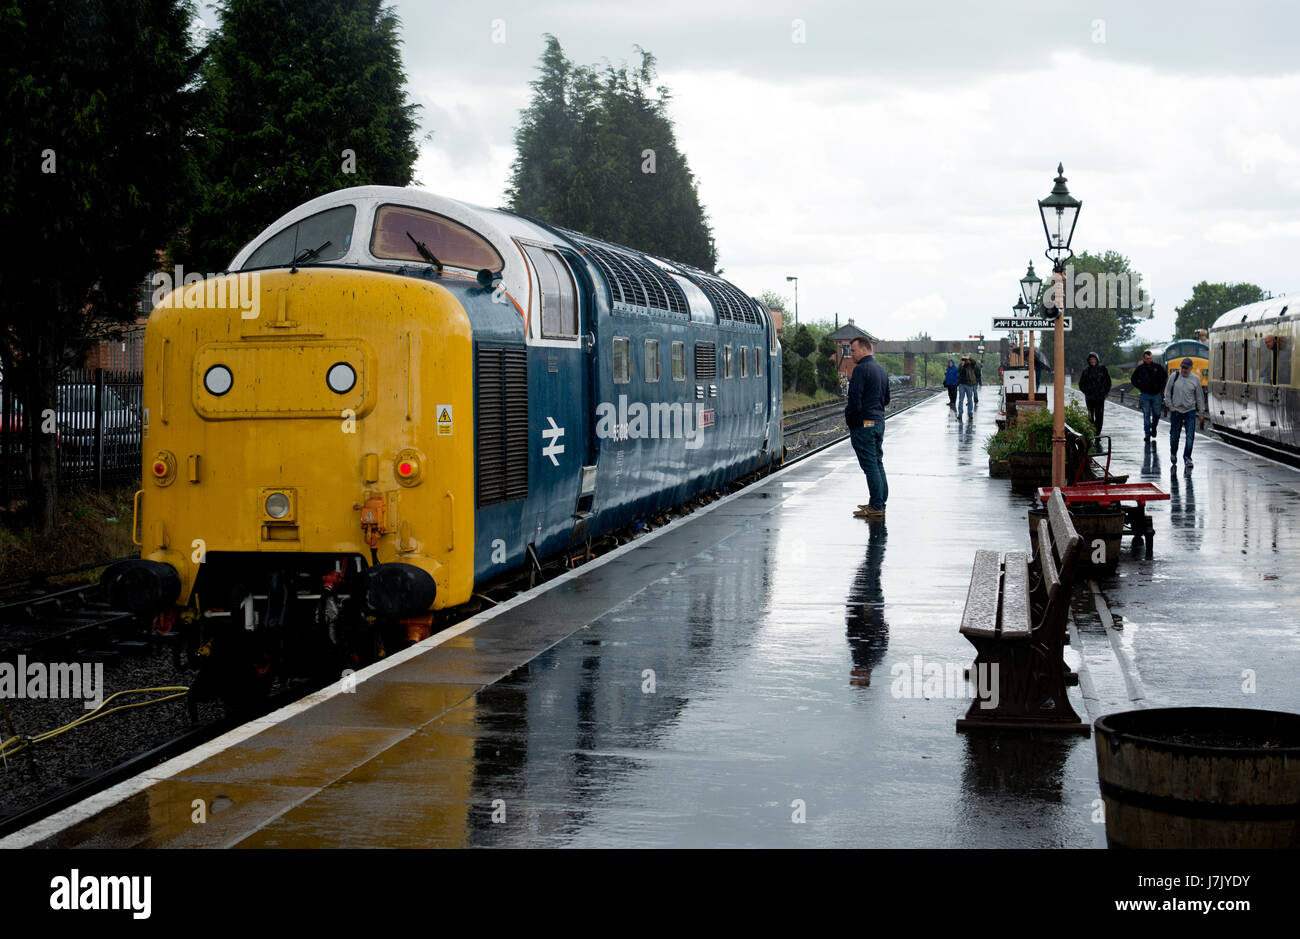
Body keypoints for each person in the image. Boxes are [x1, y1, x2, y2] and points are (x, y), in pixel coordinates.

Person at [845, 336, 889, 518]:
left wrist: (851, 420)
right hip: (878, 422)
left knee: (870, 465)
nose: (851, 354)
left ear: (864, 349)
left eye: (853, 350)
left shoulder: (861, 370)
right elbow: (886, 399)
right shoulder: (881, 369)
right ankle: (878, 502)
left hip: (865, 424)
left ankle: (877, 506)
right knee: (877, 462)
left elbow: (854, 400)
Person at [1164, 357, 1207, 469]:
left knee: (1190, 436)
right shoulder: (1174, 376)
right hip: (1176, 410)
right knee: (1174, 436)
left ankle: (1187, 457)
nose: (1184, 370)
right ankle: (1173, 453)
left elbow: (1199, 396)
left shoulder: (1196, 379)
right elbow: (1167, 391)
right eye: (1182, 367)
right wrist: (1170, 406)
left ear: (1191, 368)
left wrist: (1201, 412)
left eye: (1186, 368)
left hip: (1190, 411)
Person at [1131, 350, 1167, 443]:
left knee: (1157, 413)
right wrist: (1141, 387)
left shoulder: (1158, 367)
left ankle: (1154, 427)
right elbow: (1133, 379)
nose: (1149, 360)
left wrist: (1161, 389)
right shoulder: (1140, 368)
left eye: (1150, 358)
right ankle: (1147, 434)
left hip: (1156, 394)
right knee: (1146, 414)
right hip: (1145, 394)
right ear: (1144, 358)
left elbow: (1164, 377)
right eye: (1147, 359)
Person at [1078, 351, 1111, 440]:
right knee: (1090, 415)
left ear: (1097, 360)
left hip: (1100, 397)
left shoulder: (1102, 369)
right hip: (1090, 397)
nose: (1092, 361)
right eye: (1091, 359)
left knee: (1099, 415)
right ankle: (1092, 431)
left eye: (1094, 359)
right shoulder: (1086, 371)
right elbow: (1081, 384)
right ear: (1088, 360)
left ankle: (1097, 433)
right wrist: (1086, 391)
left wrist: (1105, 392)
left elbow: (1108, 381)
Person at [956, 354, 978, 419]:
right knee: (961, 400)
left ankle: (970, 413)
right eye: (963, 359)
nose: (964, 361)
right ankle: (960, 413)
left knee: (970, 399)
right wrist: (962, 365)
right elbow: (958, 370)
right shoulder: (961, 365)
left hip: (969, 384)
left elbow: (974, 362)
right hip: (961, 384)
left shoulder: (971, 365)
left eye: (965, 360)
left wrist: (969, 358)